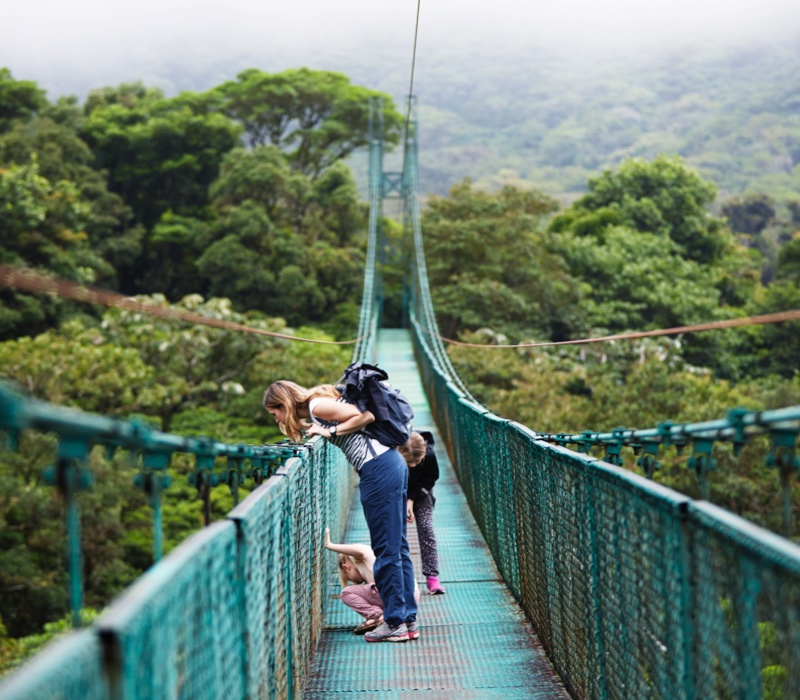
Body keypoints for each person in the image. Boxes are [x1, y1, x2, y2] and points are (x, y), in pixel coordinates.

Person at [263, 380, 418, 643]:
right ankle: (406, 620)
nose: (276, 417)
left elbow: (365, 415)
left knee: (387, 550)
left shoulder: (316, 406)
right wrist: (324, 430)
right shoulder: (318, 407)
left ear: (284, 403)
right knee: (397, 548)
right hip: (387, 466)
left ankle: (394, 622)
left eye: (274, 412)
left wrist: (330, 433)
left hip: (379, 469)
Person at [324, 527, 420, 635]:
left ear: (347, 567)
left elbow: (360, 553)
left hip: (395, 593)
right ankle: (399, 617)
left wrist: (330, 545)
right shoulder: (373, 554)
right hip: (412, 595)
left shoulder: (357, 555)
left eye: (350, 578)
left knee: (346, 592)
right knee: (372, 587)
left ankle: (377, 616)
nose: (356, 583)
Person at [398, 431, 446, 595]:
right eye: (409, 462)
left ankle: (432, 577)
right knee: (396, 532)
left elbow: (431, 478)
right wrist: (403, 500)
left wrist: (411, 499)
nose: (412, 465)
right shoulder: (393, 454)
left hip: (422, 492)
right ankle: (399, 577)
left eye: (416, 462)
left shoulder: (429, 455)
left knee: (426, 529)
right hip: (397, 492)